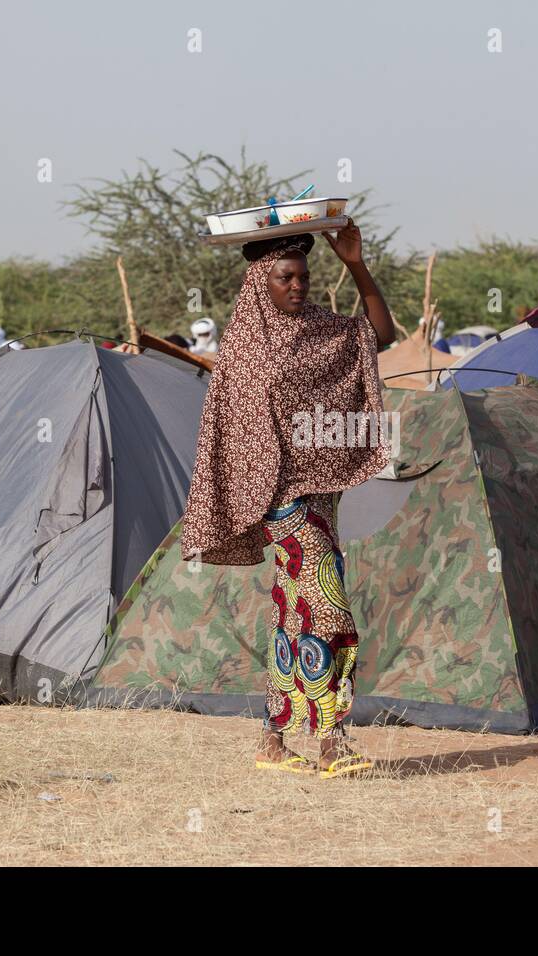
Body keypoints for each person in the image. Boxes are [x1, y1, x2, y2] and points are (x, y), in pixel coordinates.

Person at [179, 219, 395, 779]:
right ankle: (332, 740)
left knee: (294, 615)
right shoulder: (247, 348)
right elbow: (238, 430)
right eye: (285, 278)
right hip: (283, 503)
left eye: (303, 276)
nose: (297, 286)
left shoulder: (324, 330)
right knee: (329, 607)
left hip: (322, 497)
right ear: (260, 283)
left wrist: (355, 264)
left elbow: (381, 334)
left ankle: (273, 742)